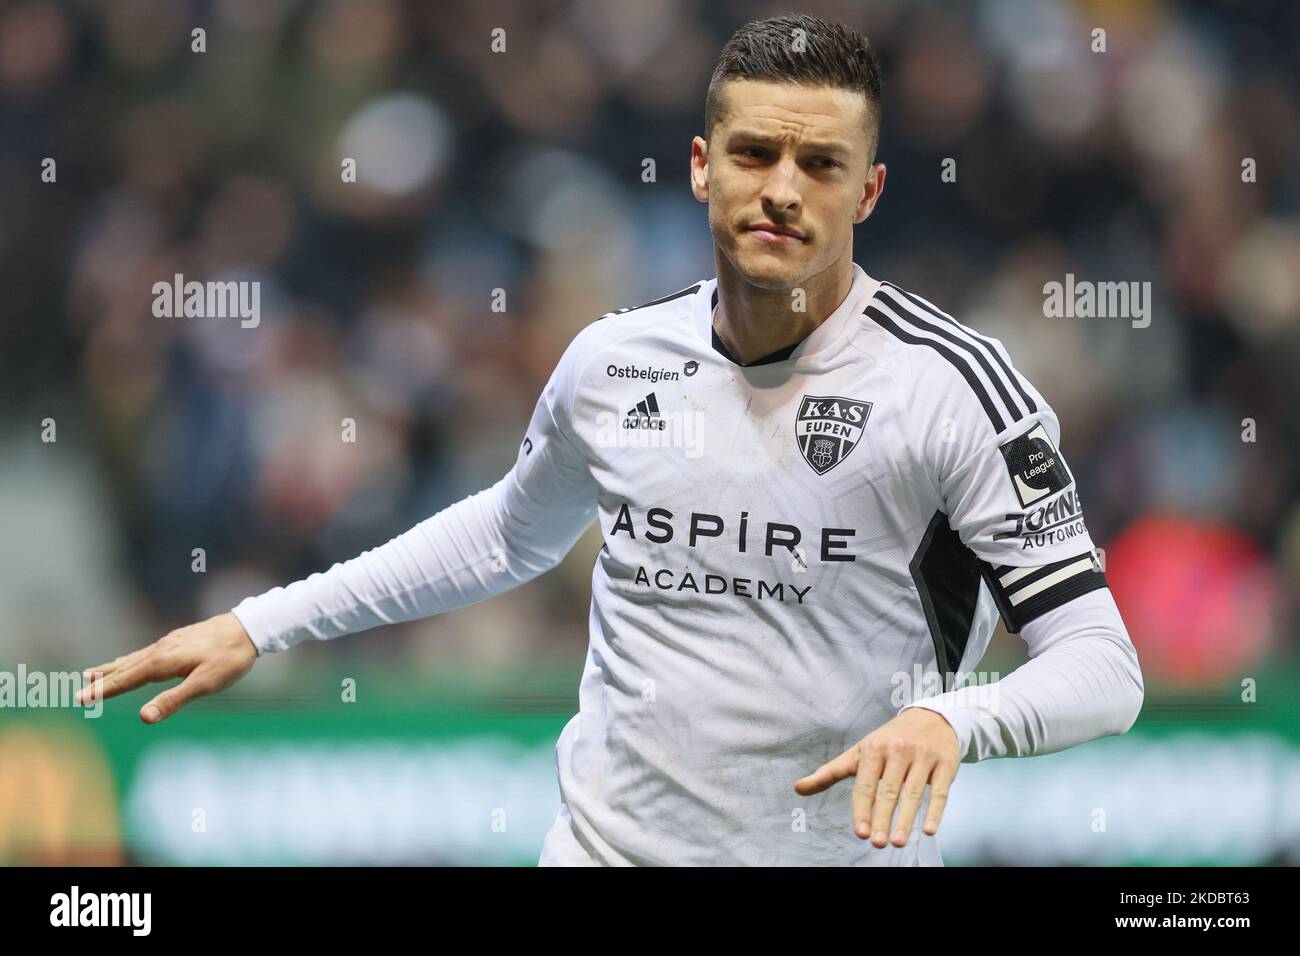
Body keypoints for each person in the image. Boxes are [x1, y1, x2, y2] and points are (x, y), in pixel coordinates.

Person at [80, 14, 1143, 866]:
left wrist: (958, 724)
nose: (781, 187)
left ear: (866, 190)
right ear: (699, 165)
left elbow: (1102, 666)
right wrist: (263, 624)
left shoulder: (952, 389)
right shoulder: (615, 361)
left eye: (819, 163)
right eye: (754, 151)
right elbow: (507, 534)